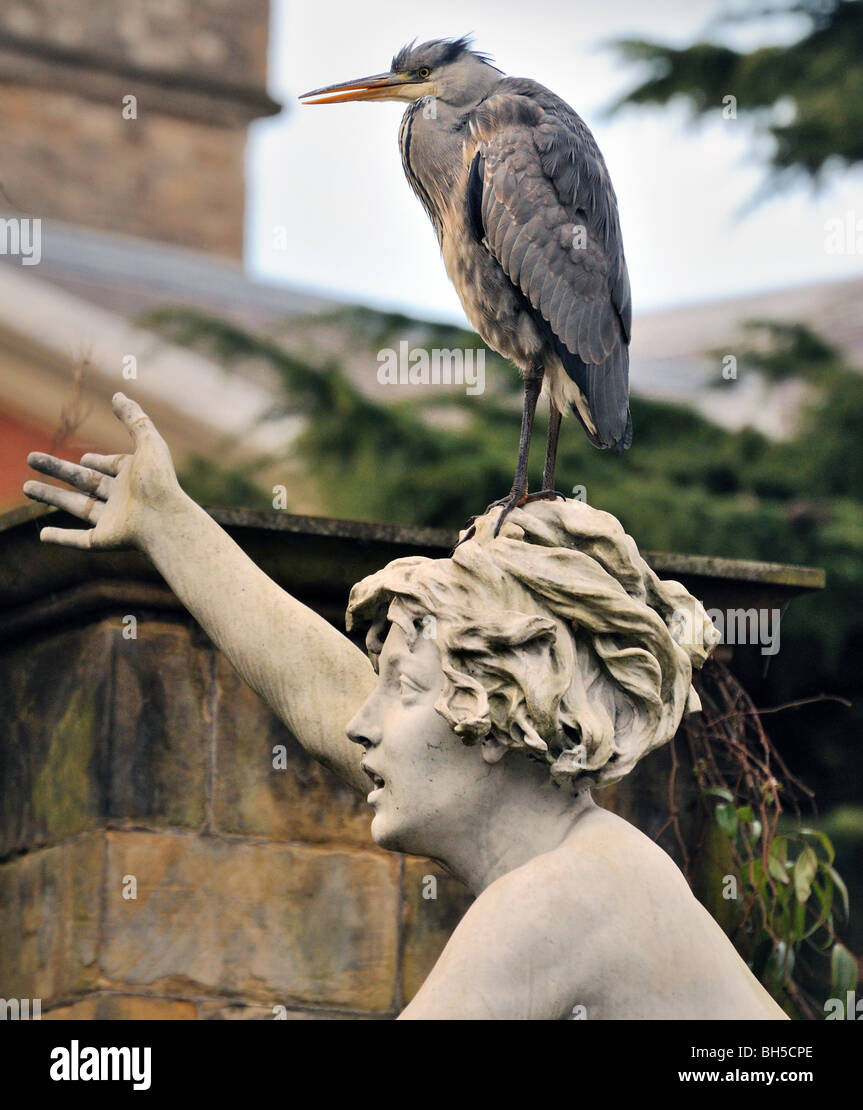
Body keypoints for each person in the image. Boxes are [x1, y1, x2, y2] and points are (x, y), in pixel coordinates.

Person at [23, 393, 787, 1020]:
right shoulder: (578, 851)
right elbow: (328, 699)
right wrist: (168, 522)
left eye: (404, 689)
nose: (363, 723)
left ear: (496, 718)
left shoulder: (560, 900)